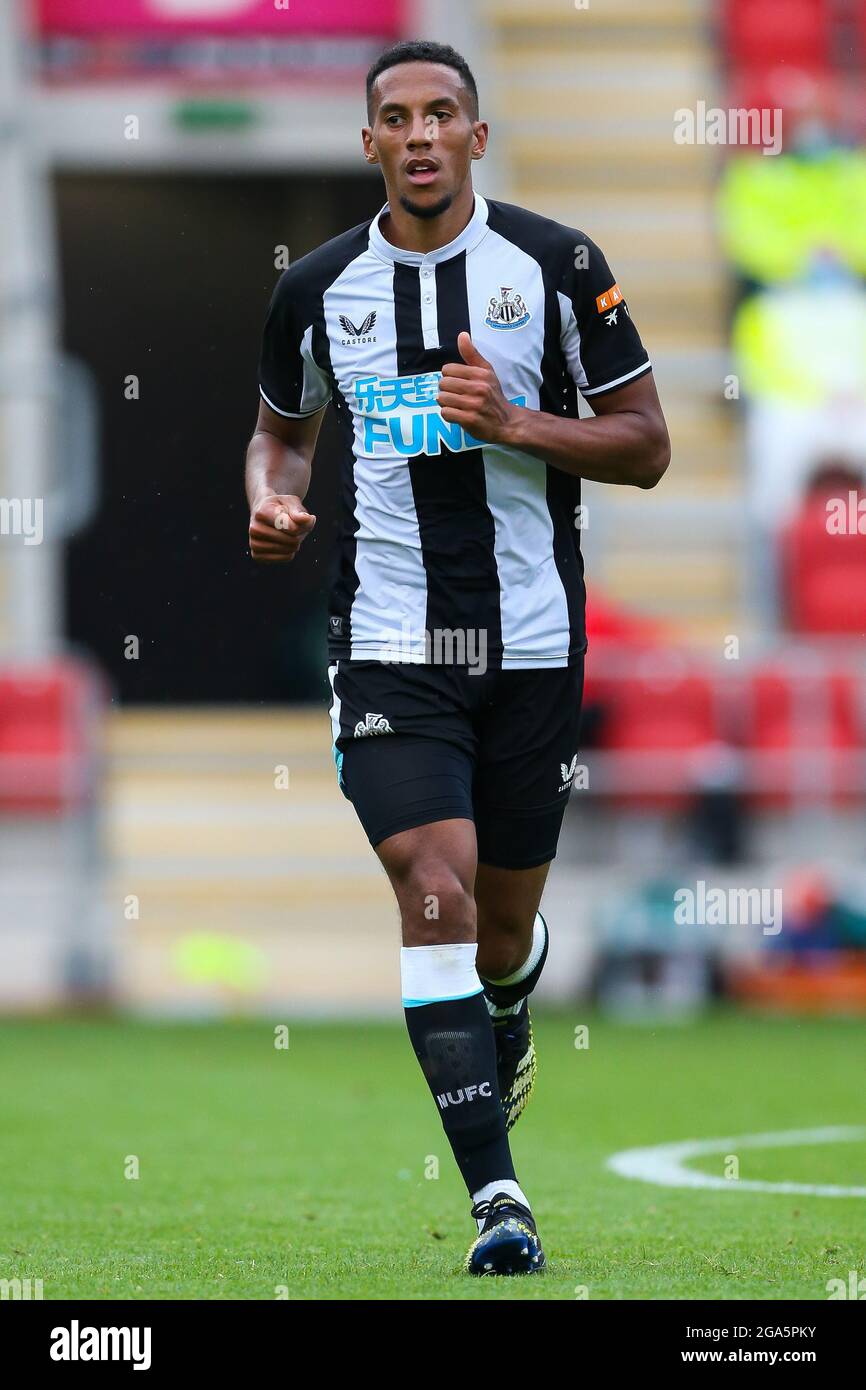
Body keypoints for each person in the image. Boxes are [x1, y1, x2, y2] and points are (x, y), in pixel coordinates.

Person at [245, 39, 669, 1276]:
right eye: (395, 116)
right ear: (368, 142)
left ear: (476, 138)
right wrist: (271, 499)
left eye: (442, 114)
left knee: (497, 930)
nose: (419, 134)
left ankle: (510, 993)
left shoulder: (554, 265)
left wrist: (517, 422)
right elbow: (277, 437)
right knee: (430, 887)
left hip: (532, 646)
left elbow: (644, 446)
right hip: (389, 644)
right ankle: (499, 1200)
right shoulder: (317, 288)